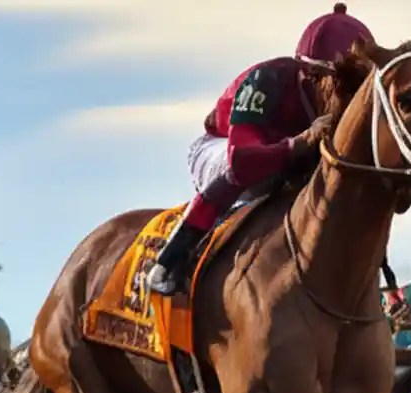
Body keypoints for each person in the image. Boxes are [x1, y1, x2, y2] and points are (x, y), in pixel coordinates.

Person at [145, 3, 374, 296]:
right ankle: (170, 260)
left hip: (277, 154)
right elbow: (241, 161)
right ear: (313, 74)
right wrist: (299, 143)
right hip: (221, 148)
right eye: (345, 87)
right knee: (259, 179)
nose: (351, 101)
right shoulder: (267, 80)